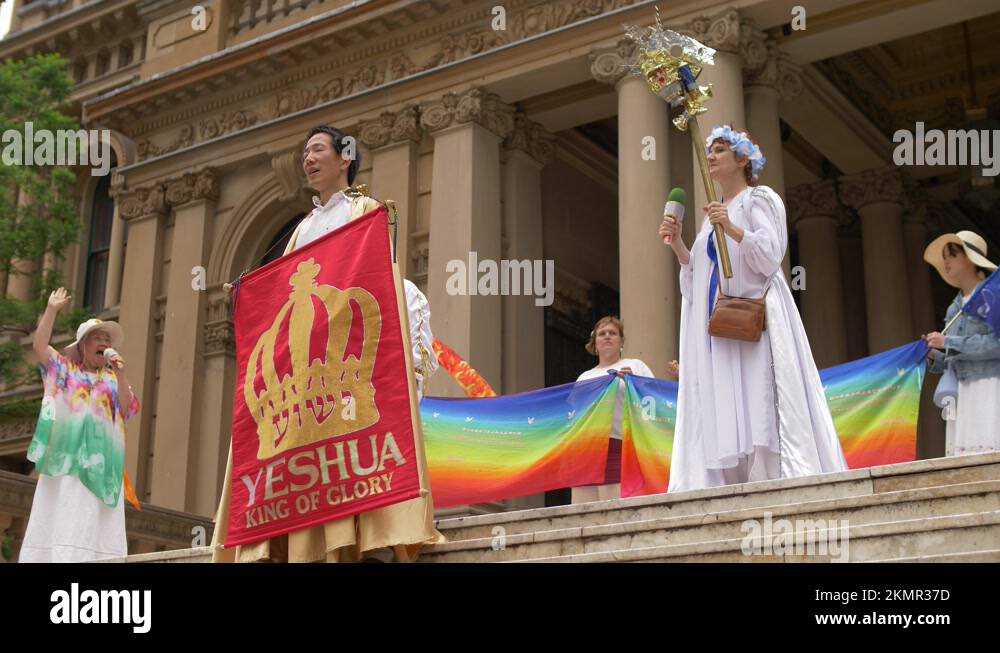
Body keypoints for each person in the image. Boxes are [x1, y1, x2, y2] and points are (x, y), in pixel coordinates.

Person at [212, 125, 440, 563]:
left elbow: (370, 276)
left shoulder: (365, 209)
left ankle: (362, 539)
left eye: (317, 150)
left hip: (340, 354)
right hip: (304, 362)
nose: (308, 159)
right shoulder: (301, 230)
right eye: (304, 153)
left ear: (345, 158)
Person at [658, 125, 846, 492]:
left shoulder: (760, 198)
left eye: (721, 150)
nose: (711, 155)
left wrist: (731, 228)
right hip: (722, 322)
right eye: (709, 150)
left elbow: (769, 256)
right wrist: (679, 244)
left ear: (743, 160)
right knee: (728, 397)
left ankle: (771, 475)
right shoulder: (714, 214)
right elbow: (698, 277)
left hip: (754, 315)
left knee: (757, 392)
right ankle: (732, 479)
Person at [19, 289, 140, 562]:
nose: (104, 342)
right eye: (98, 338)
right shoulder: (66, 372)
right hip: (67, 465)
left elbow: (126, 406)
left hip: (103, 469)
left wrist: (120, 374)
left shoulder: (113, 379)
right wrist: (51, 310)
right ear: (83, 346)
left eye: (107, 339)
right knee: (63, 525)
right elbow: (39, 348)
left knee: (98, 533)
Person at [922, 231, 1000, 456]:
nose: (946, 262)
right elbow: (953, 359)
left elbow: (996, 344)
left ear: (969, 258)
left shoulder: (992, 296)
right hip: (961, 391)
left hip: (989, 384)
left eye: (952, 255)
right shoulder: (954, 307)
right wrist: (934, 356)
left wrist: (949, 341)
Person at [572, 316, 654, 503]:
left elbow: (652, 401)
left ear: (621, 341)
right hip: (587, 448)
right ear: (595, 343)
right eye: (602, 334)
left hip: (620, 445)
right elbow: (575, 413)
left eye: (613, 333)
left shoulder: (635, 366)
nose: (607, 336)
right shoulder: (584, 376)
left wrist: (634, 384)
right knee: (583, 512)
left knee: (615, 507)